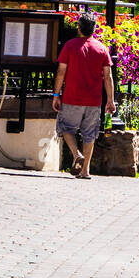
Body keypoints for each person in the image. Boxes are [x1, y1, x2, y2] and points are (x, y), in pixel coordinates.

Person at [52, 13, 114, 179]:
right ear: (94, 29)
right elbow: (108, 77)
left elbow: (61, 72)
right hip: (94, 100)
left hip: (72, 97)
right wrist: (110, 100)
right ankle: (85, 171)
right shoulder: (102, 49)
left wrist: (56, 94)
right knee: (89, 134)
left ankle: (76, 154)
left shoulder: (70, 46)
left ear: (79, 28)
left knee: (65, 127)